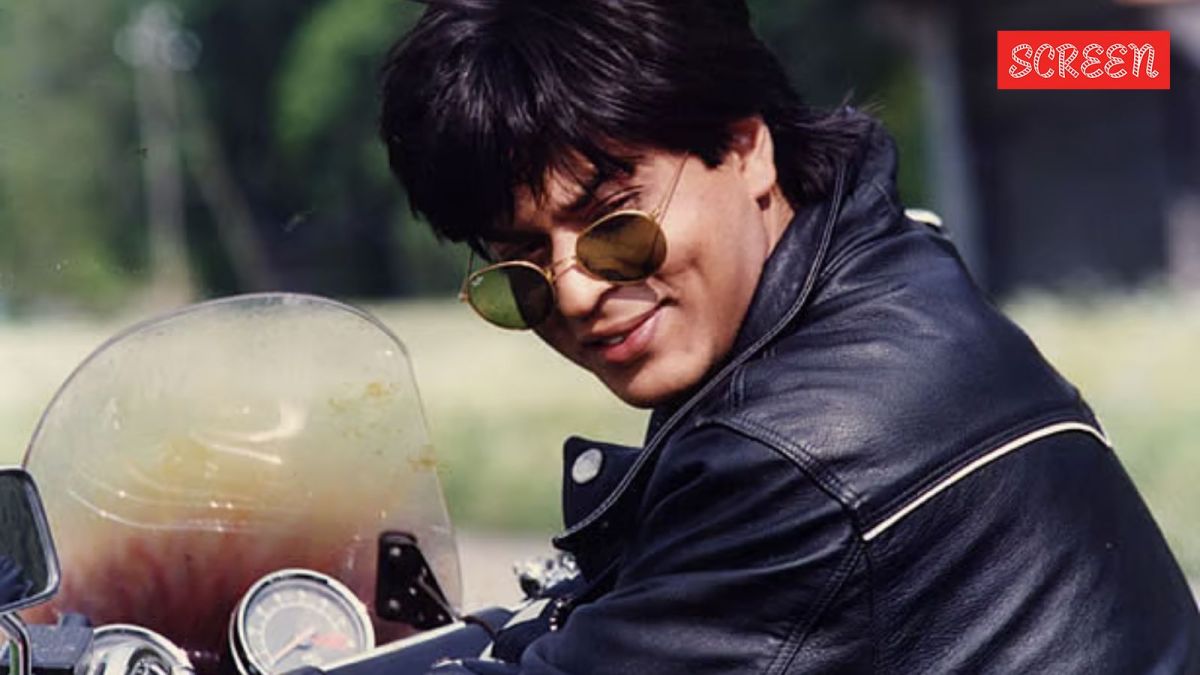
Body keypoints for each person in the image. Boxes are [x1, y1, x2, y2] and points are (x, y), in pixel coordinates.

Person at [378, 0, 1200, 671]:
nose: (577, 293)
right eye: (522, 266)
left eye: (615, 223)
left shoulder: (804, 449)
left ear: (746, 149)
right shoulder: (885, 271)